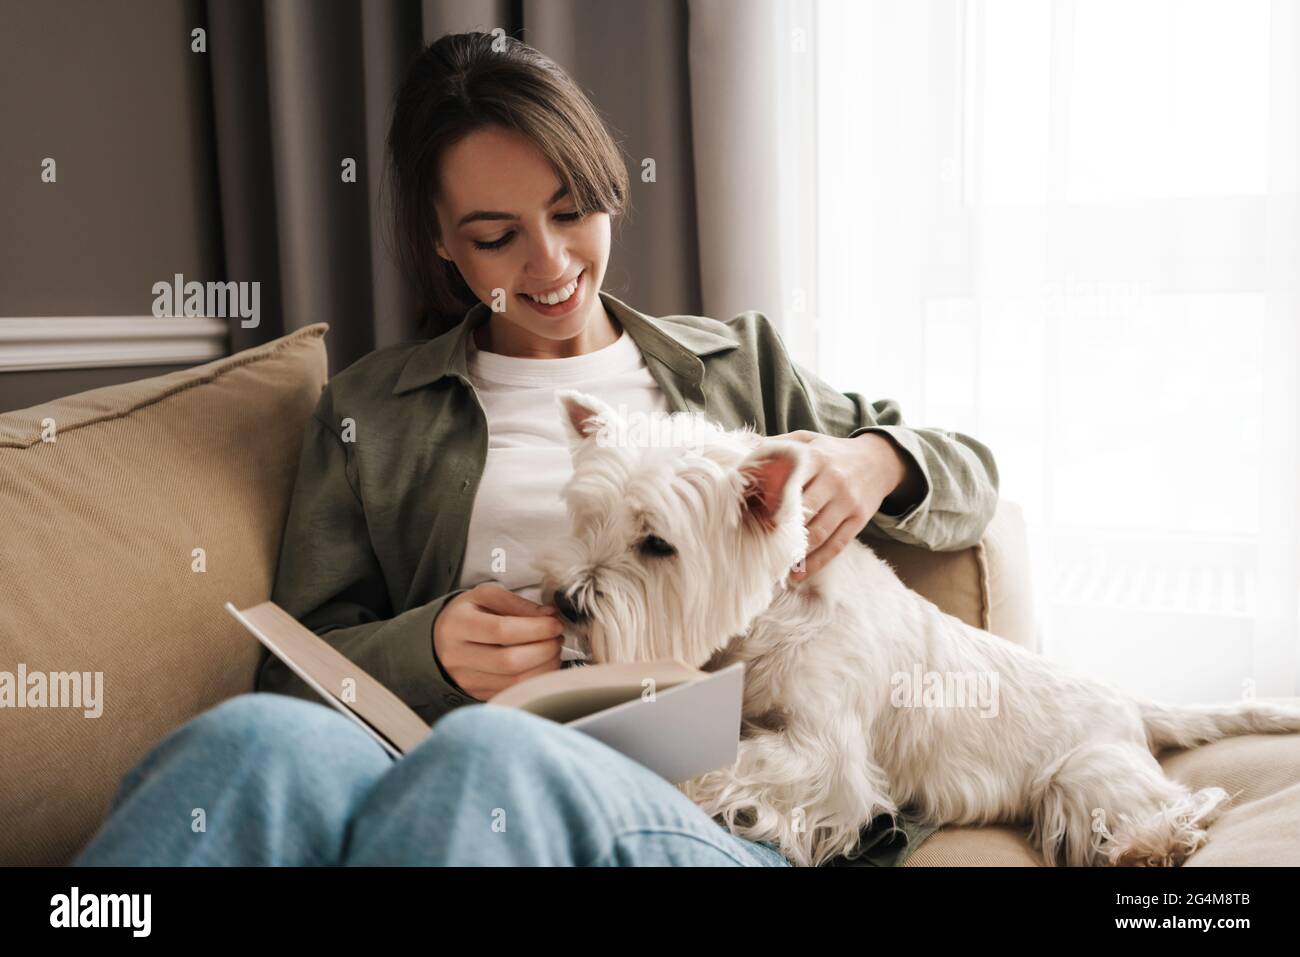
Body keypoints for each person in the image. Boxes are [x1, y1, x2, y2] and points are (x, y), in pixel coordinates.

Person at [75, 31, 998, 868]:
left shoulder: (737, 364)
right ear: (442, 243)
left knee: (494, 758)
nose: (550, 264)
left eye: (571, 211)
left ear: (608, 186)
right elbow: (294, 669)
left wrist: (879, 460)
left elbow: (973, 474)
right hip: (430, 760)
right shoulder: (372, 414)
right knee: (242, 743)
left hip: (706, 802)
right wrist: (428, 649)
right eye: (495, 235)